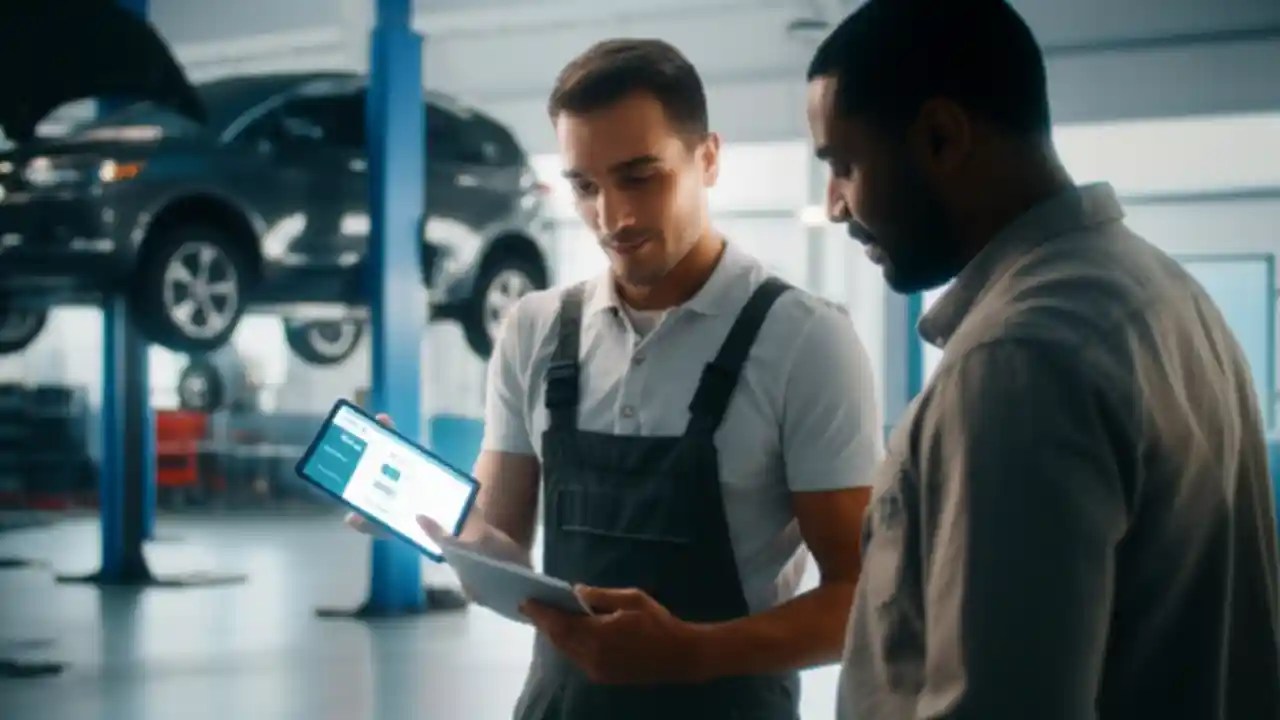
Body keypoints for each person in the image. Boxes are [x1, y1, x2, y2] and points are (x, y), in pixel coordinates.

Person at [352, 38, 882, 719]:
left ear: (709, 158)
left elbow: (861, 596)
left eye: (640, 176)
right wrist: (435, 522)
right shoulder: (533, 329)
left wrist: (691, 652)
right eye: (584, 186)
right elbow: (503, 551)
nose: (611, 217)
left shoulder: (806, 341)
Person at [803, 1, 1280, 718]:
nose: (836, 206)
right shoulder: (1163, 294)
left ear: (941, 137)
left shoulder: (1015, 361)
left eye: (843, 165)